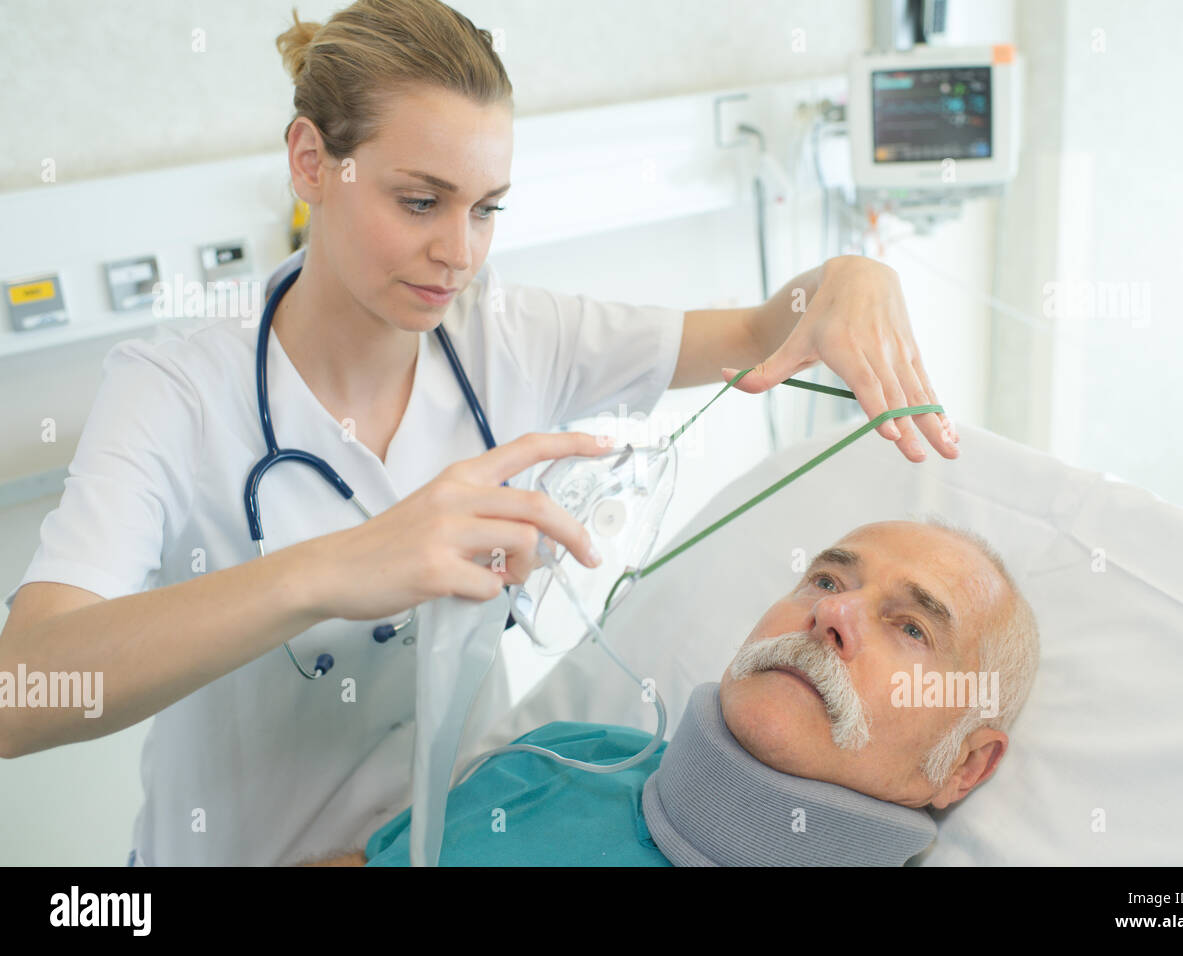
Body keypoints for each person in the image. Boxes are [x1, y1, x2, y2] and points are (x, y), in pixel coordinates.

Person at [0, 0, 959, 867]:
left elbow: (759, 332)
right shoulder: (173, 393)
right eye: (419, 201)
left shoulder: (515, 337)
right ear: (309, 162)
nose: (458, 253)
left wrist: (844, 278)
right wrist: (333, 568)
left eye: (487, 209)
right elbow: (21, 693)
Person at [313, 517, 1039, 866]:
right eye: (826, 580)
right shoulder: (570, 754)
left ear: (965, 766)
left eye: (911, 628)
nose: (832, 614)